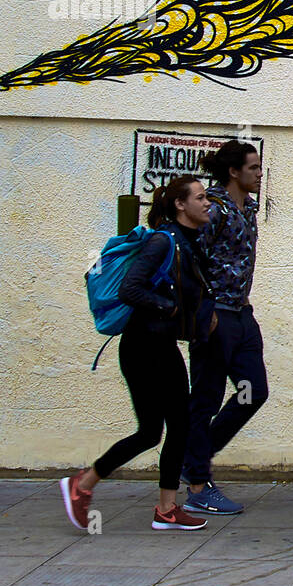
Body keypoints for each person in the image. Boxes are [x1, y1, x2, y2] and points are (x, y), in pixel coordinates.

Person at [61, 177, 217, 531]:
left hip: (159, 345)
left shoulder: (185, 242)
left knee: (168, 428)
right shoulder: (163, 241)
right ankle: (84, 484)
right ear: (180, 205)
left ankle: (165, 508)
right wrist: (171, 310)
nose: (207, 203)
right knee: (157, 430)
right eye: (201, 197)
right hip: (144, 346)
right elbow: (132, 288)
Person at [181, 140, 267, 515]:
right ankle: (198, 485)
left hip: (242, 315)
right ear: (234, 172)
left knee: (254, 391)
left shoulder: (248, 207)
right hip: (215, 315)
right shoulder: (212, 208)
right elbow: (189, 257)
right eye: (253, 168)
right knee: (206, 398)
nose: (260, 174)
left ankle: (193, 456)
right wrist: (203, 310)